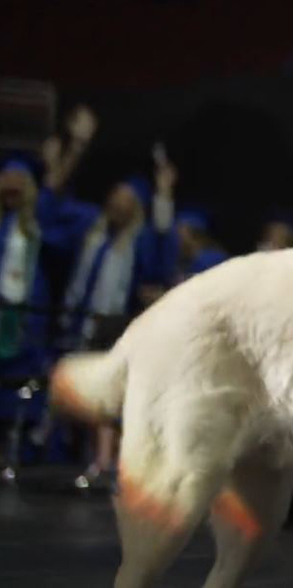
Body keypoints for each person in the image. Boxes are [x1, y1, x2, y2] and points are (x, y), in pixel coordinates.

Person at [60, 157, 177, 489]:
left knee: (114, 398)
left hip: (121, 326)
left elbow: (162, 247)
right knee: (92, 398)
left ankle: (107, 462)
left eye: (127, 202)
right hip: (87, 324)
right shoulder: (94, 236)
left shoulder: (140, 242)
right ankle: (95, 459)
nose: (118, 207)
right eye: (115, 201)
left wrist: (164, 194)